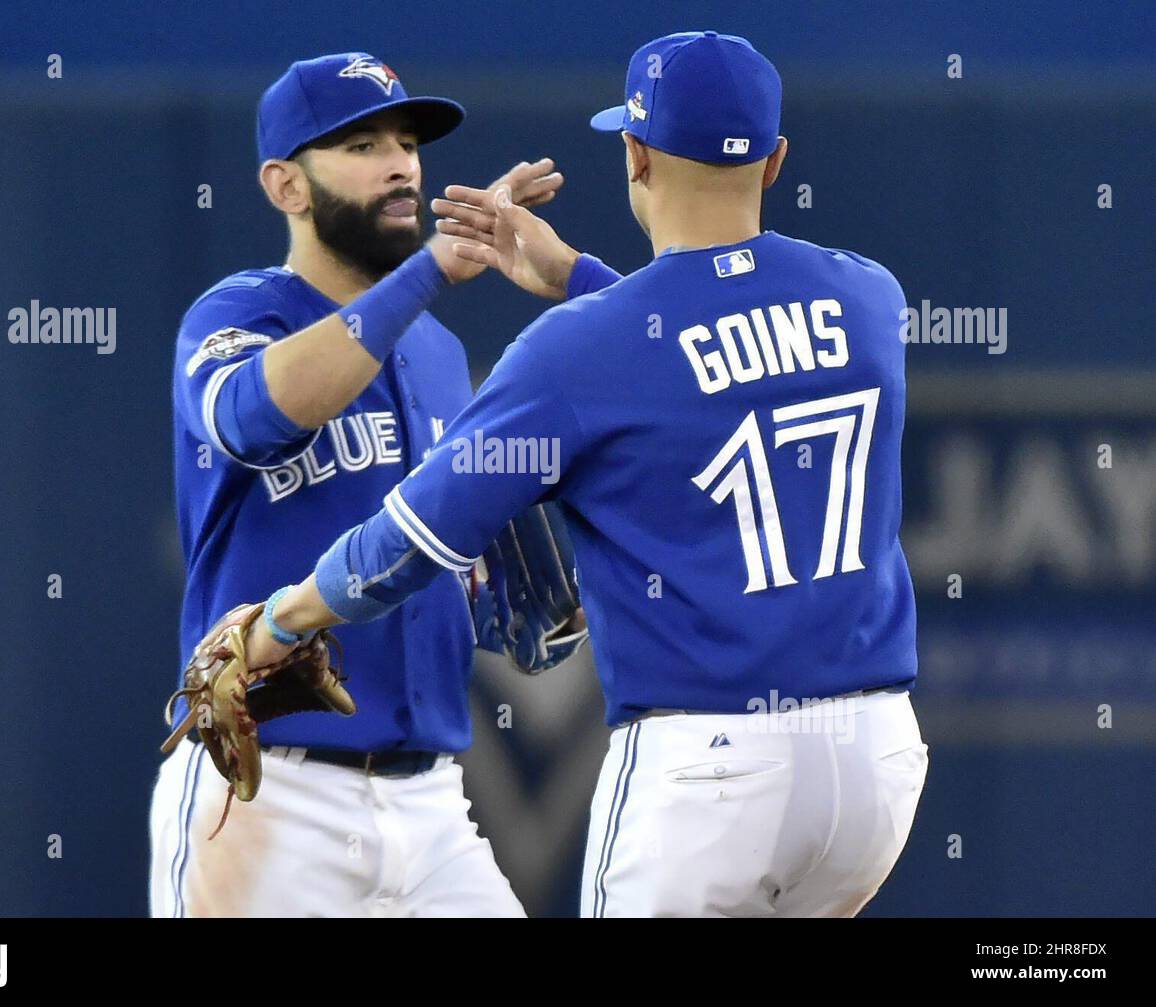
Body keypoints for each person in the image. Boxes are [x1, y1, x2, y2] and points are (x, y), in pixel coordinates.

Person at [229, 32, 930, 918]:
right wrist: (575, 276)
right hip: (875, 766)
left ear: (634, 153)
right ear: (776, 158)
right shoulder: (870, 297)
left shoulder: (581, 350)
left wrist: (285, 617)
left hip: (711, 773)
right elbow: (721, 353)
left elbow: (407, 543)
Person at [149, 50, 571, 918]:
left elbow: (455, 551)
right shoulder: (236, 314)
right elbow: (254, 420)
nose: (400, 163)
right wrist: (428, 274)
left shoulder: (442, 356)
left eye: (408, 141)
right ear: (286, 186)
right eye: (361, 143)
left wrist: (495, 588)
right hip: (268, 790)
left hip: (432, 802)